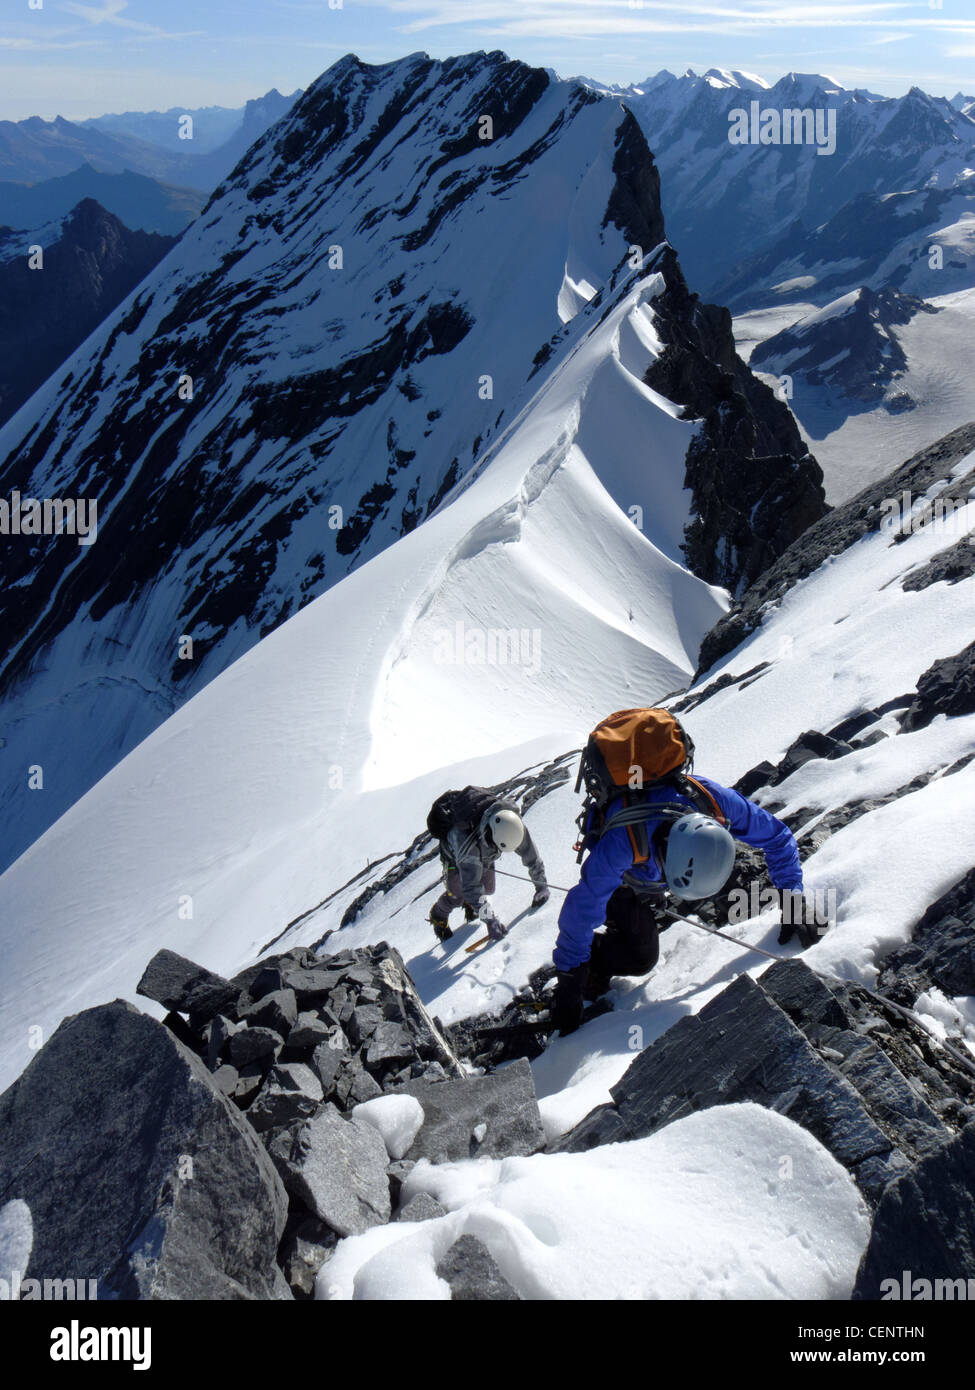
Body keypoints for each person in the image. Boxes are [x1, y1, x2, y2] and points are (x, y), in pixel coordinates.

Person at [552, 725, 812, 1035]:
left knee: (641, 941)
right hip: (626, 880)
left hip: (650, 872)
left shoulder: (713, 801)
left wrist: (793, 901)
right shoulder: (623, 844)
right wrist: (570, 981)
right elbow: (580, 912)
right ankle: (592, 961)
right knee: (639, 959)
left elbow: (778, 837)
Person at [426, 786, 549, 943]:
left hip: (484, 852)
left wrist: (541, 885)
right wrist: (490, 921)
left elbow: (530, 855)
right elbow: (470, 887)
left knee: (488, 888)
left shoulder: (511, 824)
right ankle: (438, 915)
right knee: (458, 894)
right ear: (490, 834)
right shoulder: (466, 843)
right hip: (455, 859)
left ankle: (472, 904)